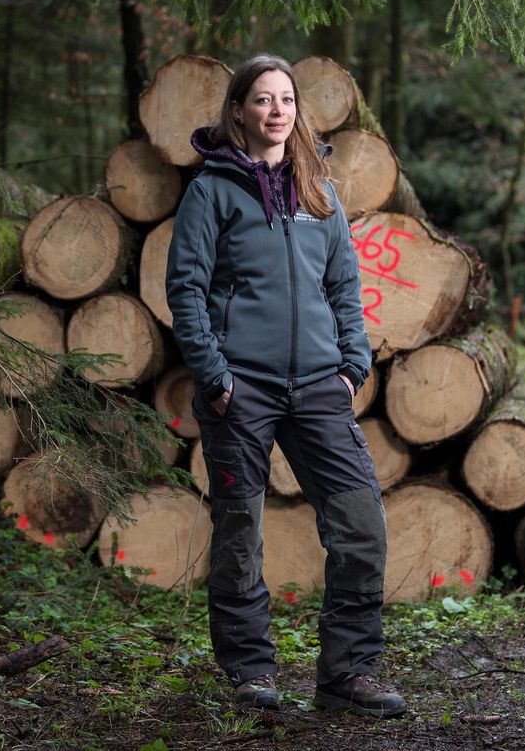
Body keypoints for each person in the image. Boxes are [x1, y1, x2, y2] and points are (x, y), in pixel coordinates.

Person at [165, 53, 406, 718]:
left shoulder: (317, 190)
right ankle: (250, 673)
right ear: (238, 111)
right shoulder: (212, 192)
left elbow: (344, 285)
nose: (277, 110)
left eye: (287, 99)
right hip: (240, 390)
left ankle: (347, 673)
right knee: (240, 532)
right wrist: (216, 375)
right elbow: (185, 290)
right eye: (263, 99)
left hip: (320, 388)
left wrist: (351, 363)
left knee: (361, 525)